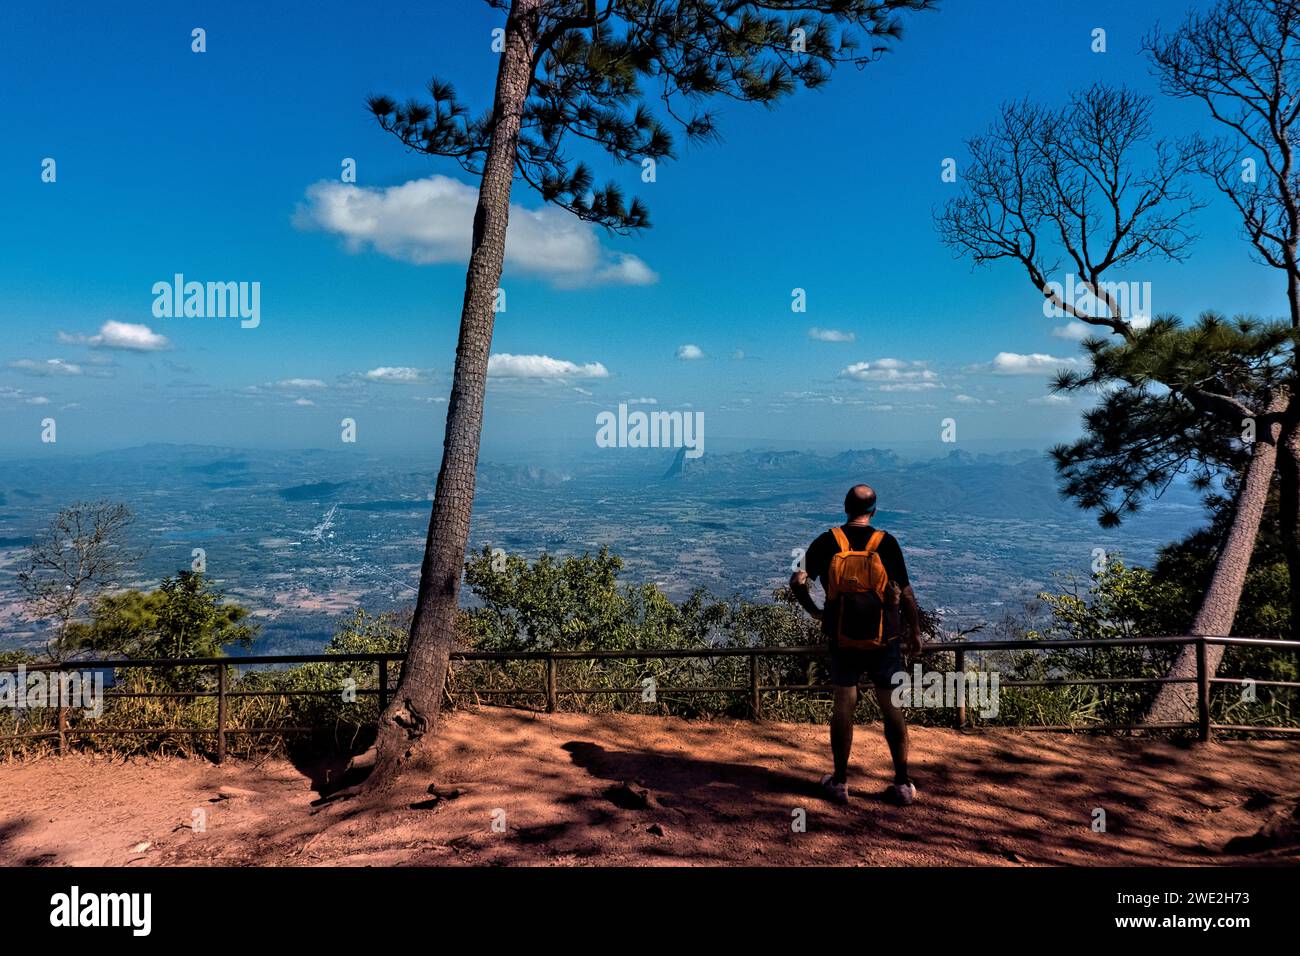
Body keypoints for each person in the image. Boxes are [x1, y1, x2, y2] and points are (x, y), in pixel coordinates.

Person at [789, 483, 923, 806]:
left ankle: (839, 782)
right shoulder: (885, 543)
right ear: (873, 511)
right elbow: (905, 594)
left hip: (842, 639)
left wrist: (816, 613)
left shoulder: (829, 540)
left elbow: (797, 580)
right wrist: (914, 631)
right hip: (884, 641)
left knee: (843, 708)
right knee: (892, 710)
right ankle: (903, 784)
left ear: (845, 508)